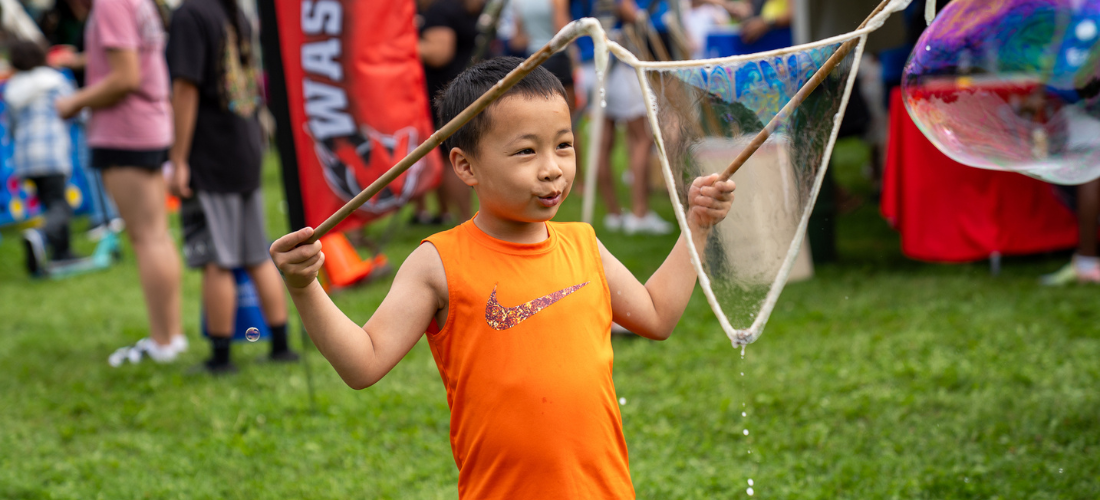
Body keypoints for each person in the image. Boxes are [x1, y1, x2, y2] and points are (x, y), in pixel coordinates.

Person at [269, 57, 736, 498]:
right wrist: (304, 286)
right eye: (526, 151)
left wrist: (696, 226)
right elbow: (363, 363)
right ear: (466, 166)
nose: (552, 167)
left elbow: (657, 316)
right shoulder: (439, 262)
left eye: (564, 145)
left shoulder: (584, 245)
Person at [166, 0, 298, 373]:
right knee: (257, 253)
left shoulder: (190, 14)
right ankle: (281, 344)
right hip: (244, 148)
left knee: (218, 259)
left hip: (210, 154)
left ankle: (221, 358)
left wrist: (177, 159)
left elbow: (186, 90)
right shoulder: (232, 10)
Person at [56, 0, 186, 365]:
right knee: (156, 235)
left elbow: (126, 76)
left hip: (125, 132)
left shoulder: (110, 4)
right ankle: (171, 336)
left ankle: (163, 342)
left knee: (147, 238)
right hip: (149, 125)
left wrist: (73, 103)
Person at [5, 40, 77, 269]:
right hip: (51, 151)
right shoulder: (54, 81)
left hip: (25, 157)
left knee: (50, 203)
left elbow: (12, 125)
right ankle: (40, 235)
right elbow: (73, 108)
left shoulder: (12, 88)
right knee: (61, 206)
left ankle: (61, 252)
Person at [415, 0, 483, 224]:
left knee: (449, 158)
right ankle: (447, 213)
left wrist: (401, 43)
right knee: (444, 155)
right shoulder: (452, 8)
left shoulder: (440, 10)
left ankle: (466, 218)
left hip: (447, 93)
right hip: (456, 89)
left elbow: (439, 53)